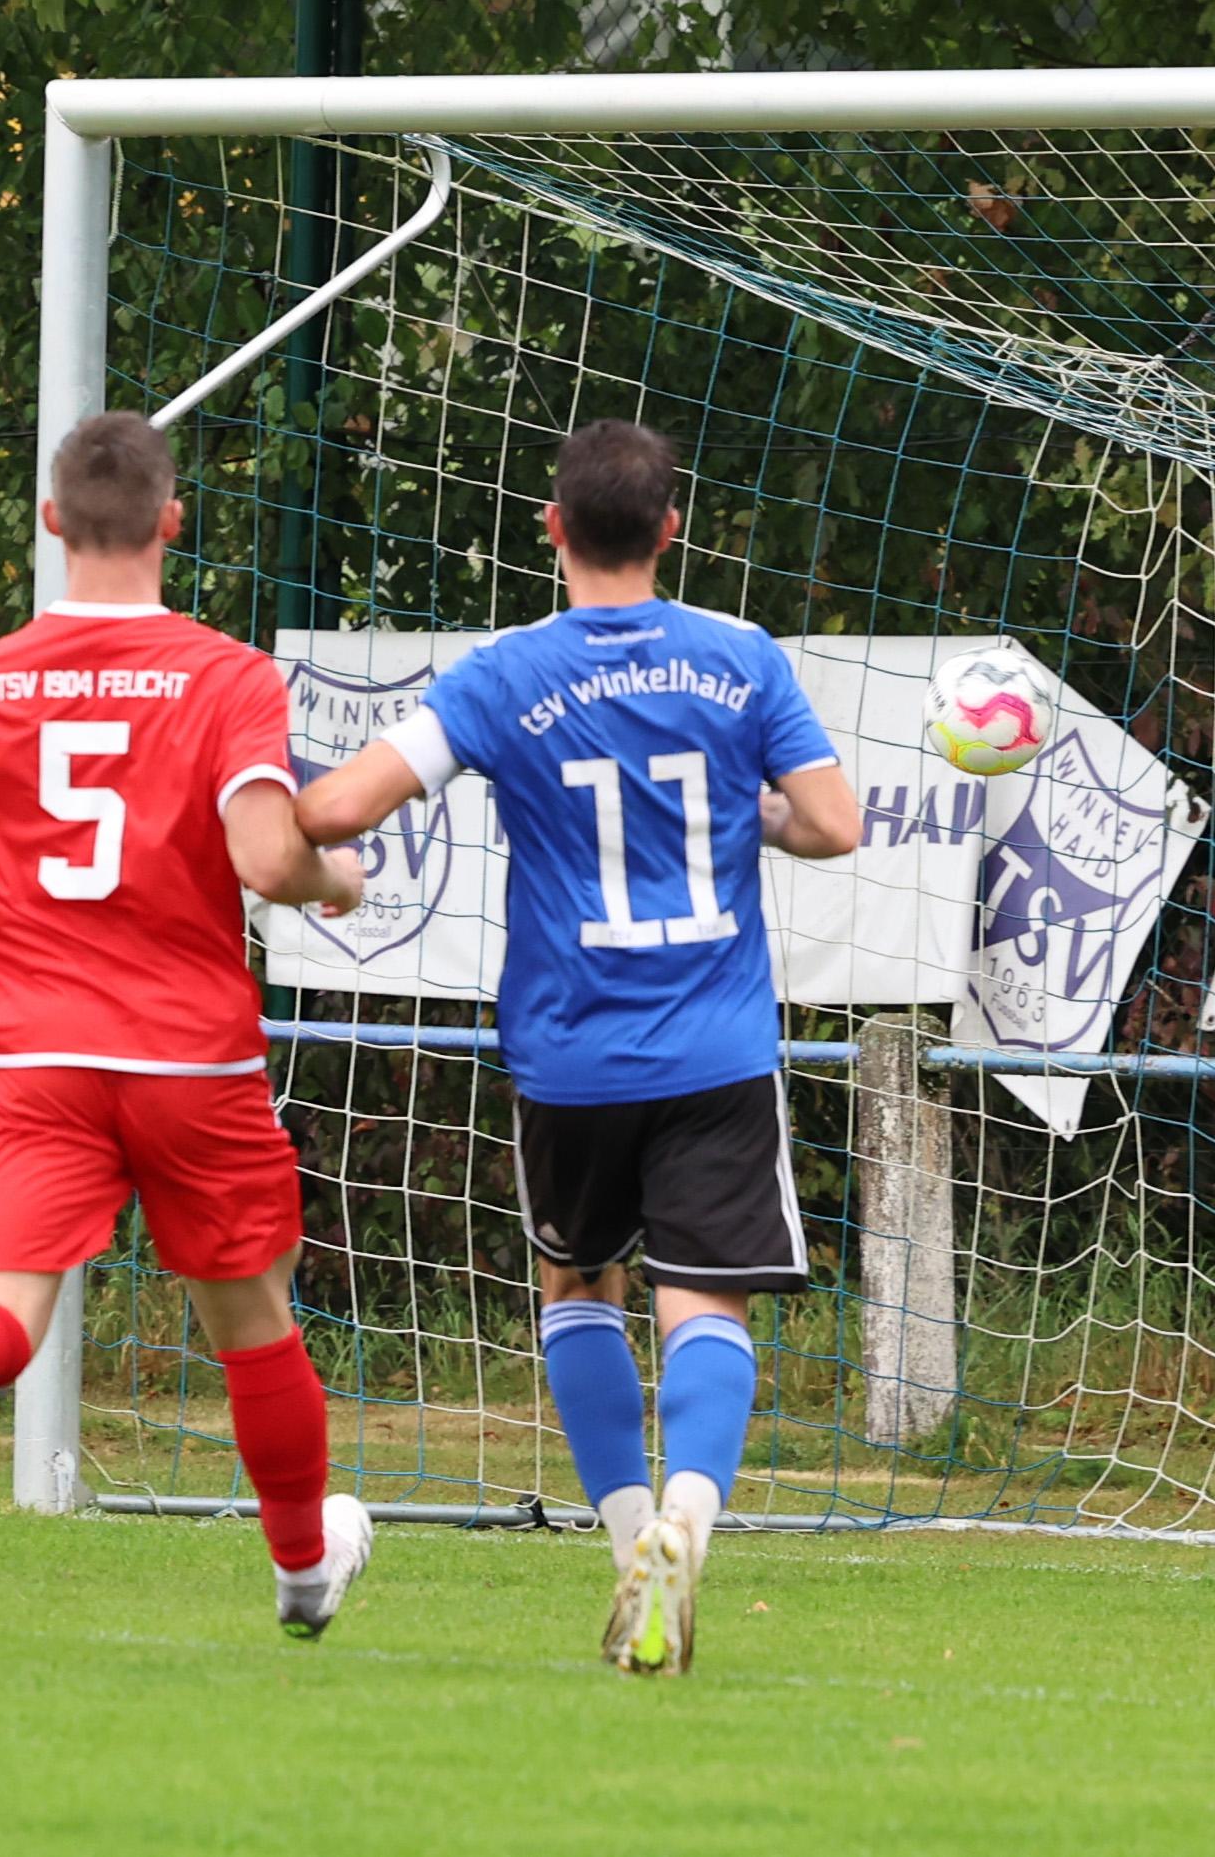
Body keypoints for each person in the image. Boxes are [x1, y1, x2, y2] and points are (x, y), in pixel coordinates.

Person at [294, 417, 859, 1677]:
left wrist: (280, 808)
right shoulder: (741, 659)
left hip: (570, 1058)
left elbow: (339, 807)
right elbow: (833, 823)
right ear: (671, 529)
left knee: (577, 1288)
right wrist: (744, 816)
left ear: (549, 527)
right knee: (703, 1305)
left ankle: (625, 1551)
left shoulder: (503, 677)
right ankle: (690, 1523)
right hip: (715, 1050)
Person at [0, 411, 378, 1642]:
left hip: (35, 1052)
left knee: (8, 1300)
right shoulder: (224, 674)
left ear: (49, 522)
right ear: (171, 522)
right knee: (251, 1322)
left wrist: (16, 853)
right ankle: (302, 1569)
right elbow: (262, 852)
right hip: (188, 1053)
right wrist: (334, 879)